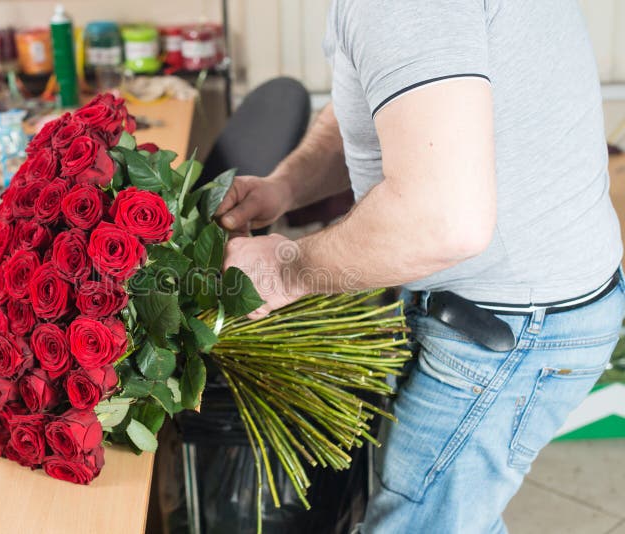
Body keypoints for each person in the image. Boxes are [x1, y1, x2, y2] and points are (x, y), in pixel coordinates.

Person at [217, 1, 625, 532]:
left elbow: (443, 220)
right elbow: (384, 100)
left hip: (509, 326)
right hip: (518, 298)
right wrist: (287, 186)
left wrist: (286, 270)